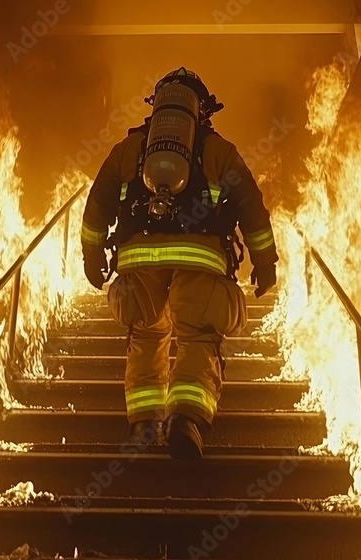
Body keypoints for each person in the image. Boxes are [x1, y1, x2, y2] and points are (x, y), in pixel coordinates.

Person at [79, 68, 278, 460]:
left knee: (146, 336)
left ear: (156, 106)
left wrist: (92, 253)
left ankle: (144, 423)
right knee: (198, 336)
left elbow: (97, 204)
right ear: (202, 110)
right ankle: (186, 421)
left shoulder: (128, 150)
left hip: (139, 260)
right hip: (201, 261)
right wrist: (264, 261)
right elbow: (251, 208)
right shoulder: (219, 150)